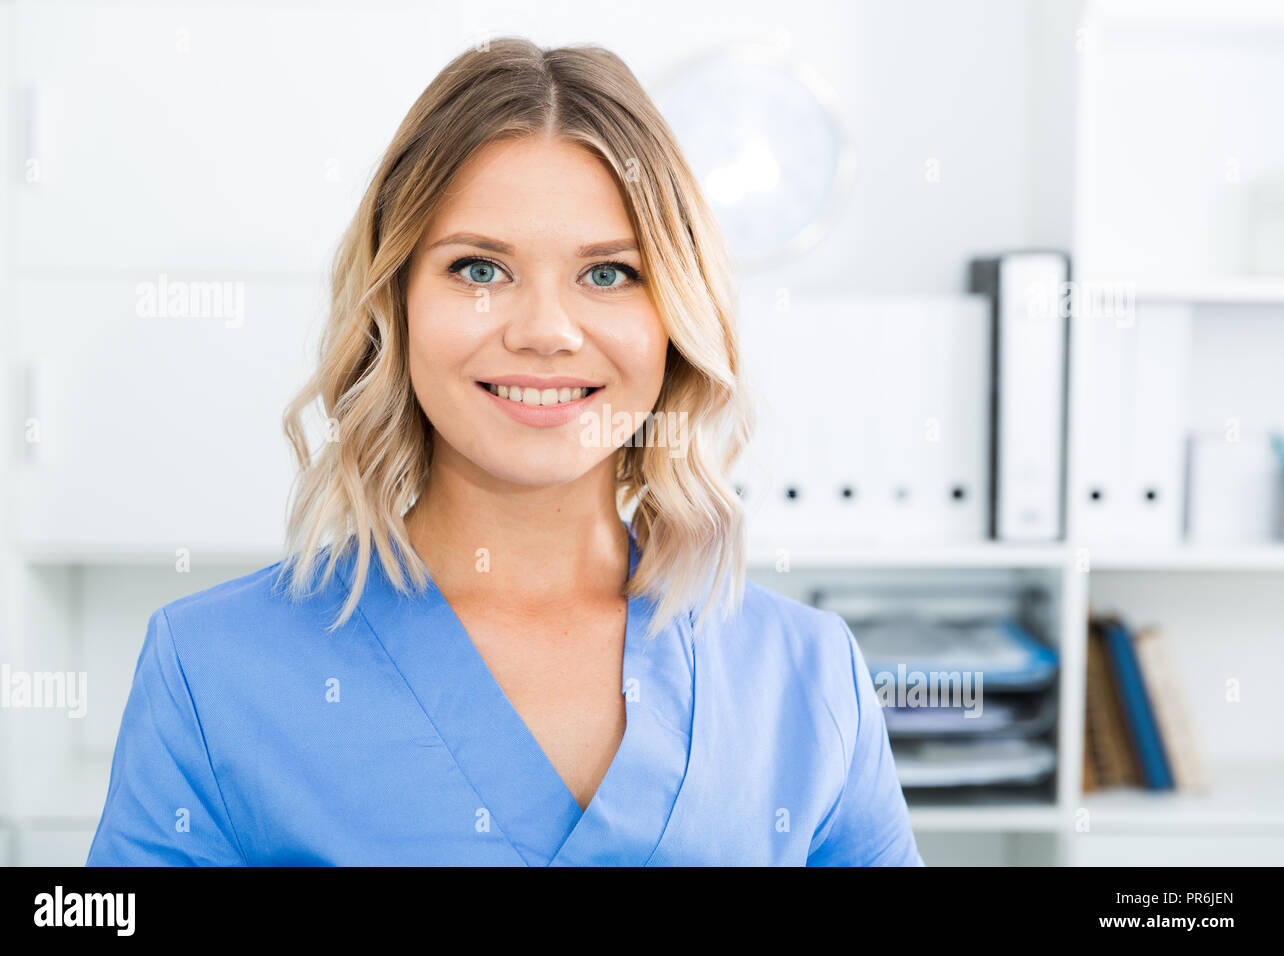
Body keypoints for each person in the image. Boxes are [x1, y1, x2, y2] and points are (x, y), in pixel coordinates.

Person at [86, 37, 923, 866]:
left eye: (609, 275)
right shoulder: (212, 672)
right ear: (396, 302)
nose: (545, 333)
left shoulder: (810, 683)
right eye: (480, 269)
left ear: (675, 315)